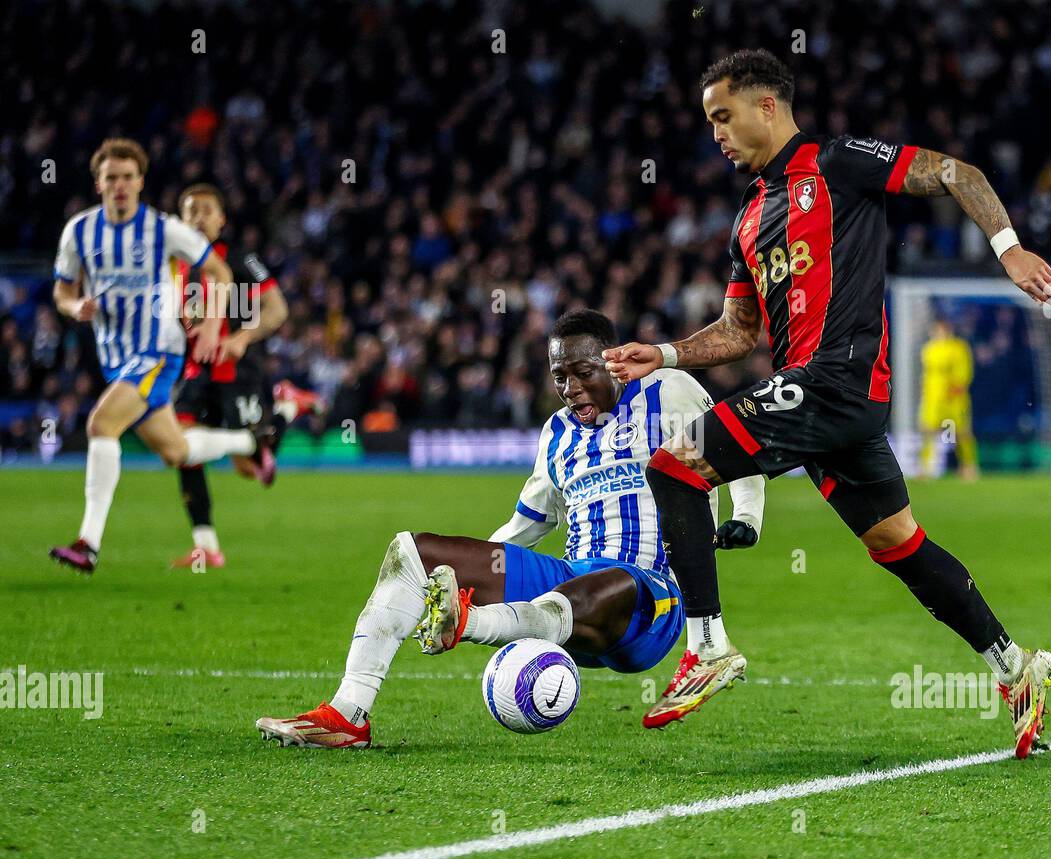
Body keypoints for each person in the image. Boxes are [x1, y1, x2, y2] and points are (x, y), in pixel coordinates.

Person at [604, 50, 1051, 758]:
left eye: (723, 116)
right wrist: (662, 354)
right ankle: (1015, 668)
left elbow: (956, 173)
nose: (716, 135)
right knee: (897, 544)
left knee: (674, 466)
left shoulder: (841, 161)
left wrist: (1008, 248)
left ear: (767, 105)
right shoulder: (748, 221)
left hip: (836, 380)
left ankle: (708, 647)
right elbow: (738, 332)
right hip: (820, 405)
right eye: (709, 123)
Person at [256, 309, 765, 747]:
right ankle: (347, 714)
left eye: (583, 371)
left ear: (613, 360)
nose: (571, 389)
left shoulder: (667, 390)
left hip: (651, 604)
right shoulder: (557, 433)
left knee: (612, 582)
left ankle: (472, 627)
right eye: (559, 376)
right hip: (567, 585)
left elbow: (735, 448)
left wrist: (745, 517)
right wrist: (463, 574)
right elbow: (527, 524)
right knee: (413, 551)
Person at [48, 138, 275, 575]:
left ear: (140, 182)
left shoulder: (163, 230)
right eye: (111, 177)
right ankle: (251, 443)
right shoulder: (78, 231)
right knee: (176, 451)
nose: (120, 185)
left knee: (101, 423)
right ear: (98, 182)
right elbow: (62, 289)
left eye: (128, 177)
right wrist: (74, 307)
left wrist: (211, 325)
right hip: (115, 355)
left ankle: (88, 543)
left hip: (158, 352)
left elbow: (220, 272)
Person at [171, 182, 321, 568]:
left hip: (240, 371)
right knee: (180, 448)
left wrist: (242, 337)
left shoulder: (239, 259)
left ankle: (288, 407)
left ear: (222, 220)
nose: (199, 218)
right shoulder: (176, 266)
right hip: (196, 373)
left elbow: (277, 309)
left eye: (207, 210)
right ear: (181, 220)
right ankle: (207, 546)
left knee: (249, 467)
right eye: (191, 211)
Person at [918, 318, 979, 480]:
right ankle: (925, 468)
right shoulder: (928, 348)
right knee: (928, 431)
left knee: (961, 432)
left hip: (953, 398)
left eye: (939, 329)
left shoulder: (958, 347)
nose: (936, 333)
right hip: (932, 398)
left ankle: (969, 467)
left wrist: (957, 388)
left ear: (947, 330)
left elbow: (964, 372)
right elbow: (926, 374)